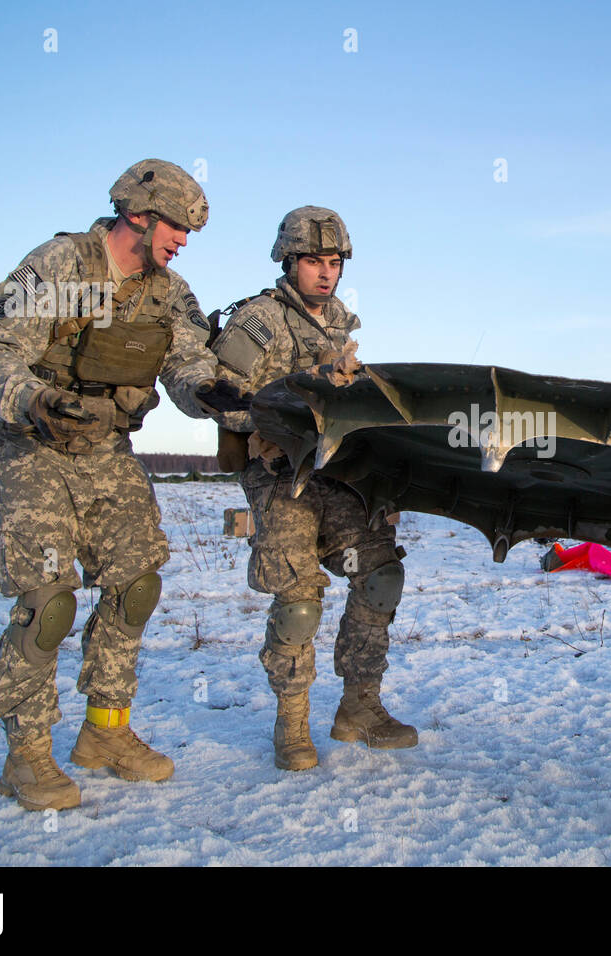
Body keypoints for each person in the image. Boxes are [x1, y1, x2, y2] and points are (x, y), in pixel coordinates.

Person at [0, 159, 240, 811]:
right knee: (49, 603)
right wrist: (32, 398)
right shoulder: (64, 266)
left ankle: (105, 733)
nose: (181, 242)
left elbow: (186, 363)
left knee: (137, 583)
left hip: (106, 447)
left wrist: (209, 391)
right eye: (175, 227)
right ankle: (27, 757)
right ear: (140, 216)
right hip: (32, 445)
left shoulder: (169, 292)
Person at [209, 206, 416, 772]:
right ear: (288, 261)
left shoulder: (342, 325)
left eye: (333, 262)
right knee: (299, 604)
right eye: (312, 262)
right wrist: (284, 416)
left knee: (381, 576)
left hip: (338, 476)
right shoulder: (259, 320)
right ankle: (292, 725)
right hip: (281, 479)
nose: (325, 273)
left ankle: (358, 708)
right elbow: (221, 399)